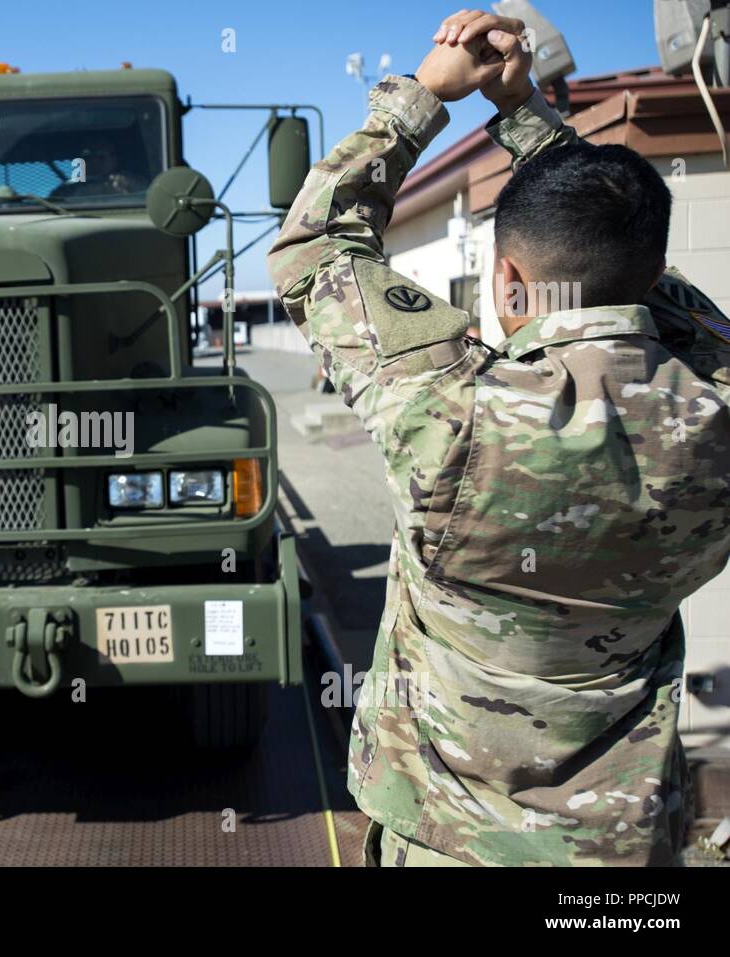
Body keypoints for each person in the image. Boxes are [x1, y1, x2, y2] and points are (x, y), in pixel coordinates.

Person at [268, 9, 730, 866]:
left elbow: (312, 245)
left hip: (448, 845)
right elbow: (657, 292)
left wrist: (422, 99)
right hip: (625, 859)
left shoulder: (446, 412)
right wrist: (533, 128)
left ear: (507, 281)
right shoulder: (712, 419)